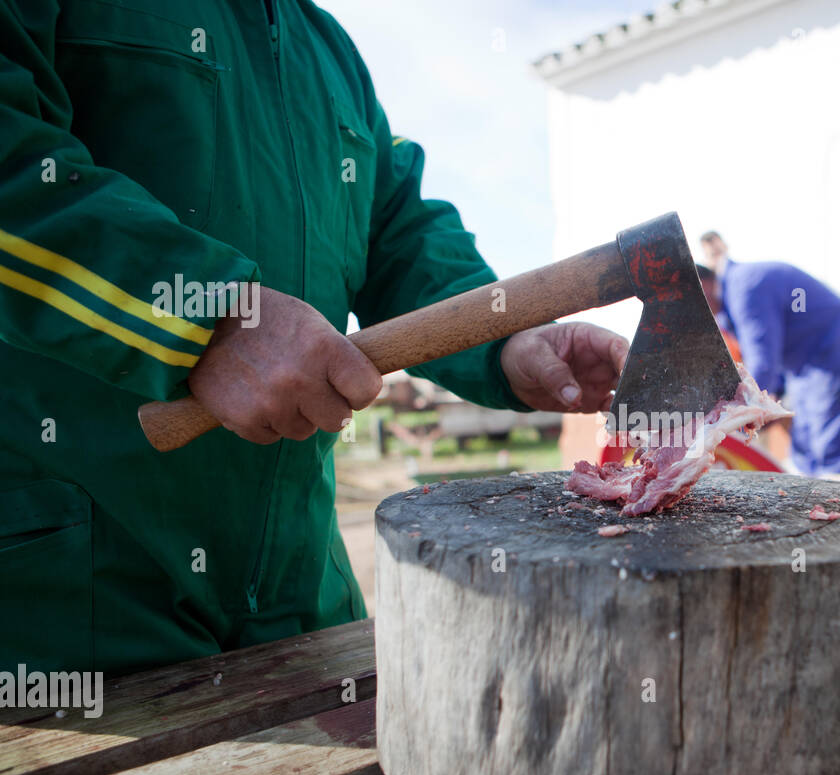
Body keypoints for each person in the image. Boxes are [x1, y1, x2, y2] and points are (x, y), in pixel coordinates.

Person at [0, 1, 626, 674]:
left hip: (304, 604)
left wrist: (506, 342)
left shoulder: (328, 51)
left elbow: (399, 234)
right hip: (74, 608)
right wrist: (205, 316)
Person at [695, 232, 840, 476]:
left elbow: (761, 359)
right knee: (806, 443)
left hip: (834, 350)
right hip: (801, 366)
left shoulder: (743, 287)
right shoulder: (728, 305)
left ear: (703, 284)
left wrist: (740, 416)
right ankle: (816, 507)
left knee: (831, 443)